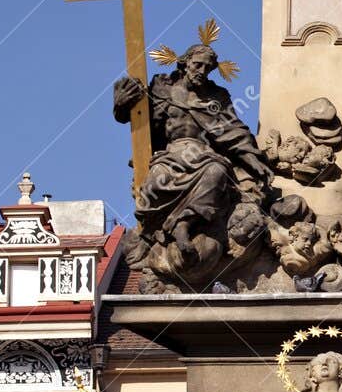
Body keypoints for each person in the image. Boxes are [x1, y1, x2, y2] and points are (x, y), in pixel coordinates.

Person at [114, 40, 272, 286]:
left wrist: (254, 160)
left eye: (208, 68)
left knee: (217, 172)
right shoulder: (161, 88)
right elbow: (133, 115)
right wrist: (121, 103)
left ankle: (183, 226)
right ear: (185, 62)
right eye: (197, 65)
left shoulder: (216, 96)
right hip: (170, 154)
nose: (201, 71)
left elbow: (232, 131)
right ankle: (162, 231)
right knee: (156, 180)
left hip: (204, 153)